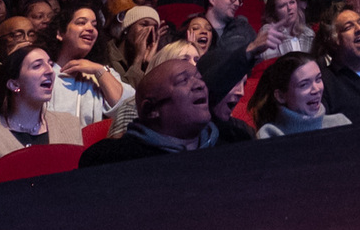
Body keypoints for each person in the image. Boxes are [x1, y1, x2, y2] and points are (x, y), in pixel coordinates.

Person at [78, 49, 250, 165]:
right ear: (151, 110)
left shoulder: (236, 144)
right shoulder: (110, 160)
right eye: (183, 80)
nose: (200, 85)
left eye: (199, 78)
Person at [0, 42, 85, 180]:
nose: (50, 71)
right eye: (37, 66)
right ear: (14, 84)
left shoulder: (69, 125)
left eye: (50, 64)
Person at [249, 54, 352, 137]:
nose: (316, 89)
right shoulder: (269, 134)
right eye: (304, 85)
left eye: (318, 79)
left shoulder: (340, 123)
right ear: (280, 96)